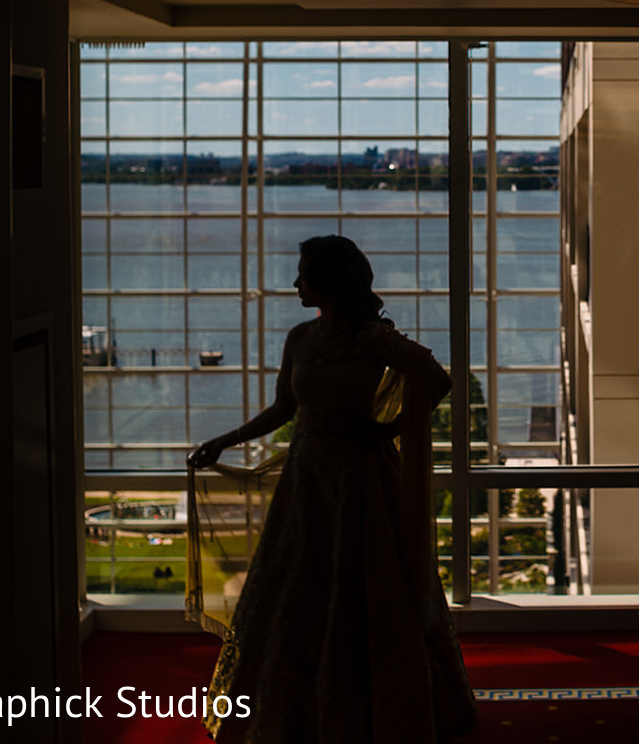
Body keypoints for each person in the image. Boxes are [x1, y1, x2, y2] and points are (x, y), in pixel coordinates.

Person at [188, 235, 478, 742]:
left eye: (304, 273)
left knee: (357, 587)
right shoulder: (300, 337)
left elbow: (435, 380)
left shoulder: (373, 339)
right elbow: (284, 409)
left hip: (359, 482)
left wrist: (386, 430)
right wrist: (221, 442)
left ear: (331, 281)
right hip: (307, 479)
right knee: (300, 586)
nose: (295, 282)